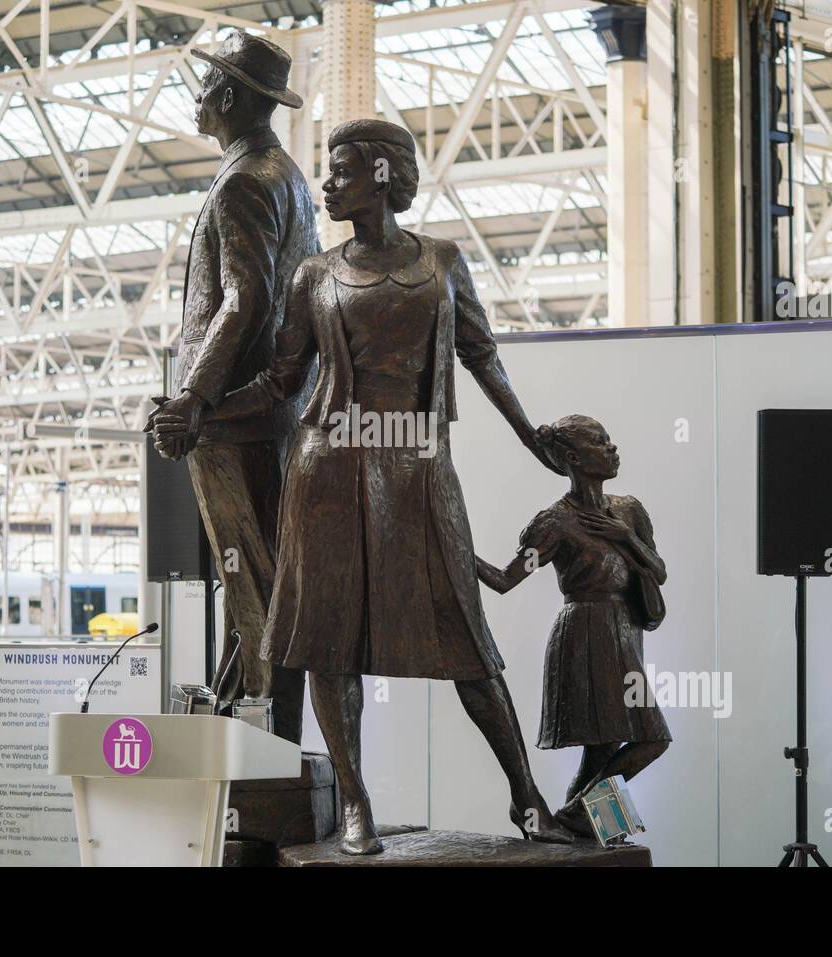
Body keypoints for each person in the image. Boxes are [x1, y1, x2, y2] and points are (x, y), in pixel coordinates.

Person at [156, 118, 572, 854]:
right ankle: (355, 803)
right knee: (328, 641)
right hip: (327, 472)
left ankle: (528, 797)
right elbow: (283, 383)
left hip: (418, 470)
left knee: (469, 642)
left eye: (342, 168)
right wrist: (199, 407)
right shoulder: (312, 274)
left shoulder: (443, 262)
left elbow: (483, 357)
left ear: (384, 174)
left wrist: (531, 435)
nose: (327, 182)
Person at [144, 32, 319, 744]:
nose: (195, 97)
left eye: (205, 85)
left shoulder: (246, 179)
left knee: (250, 584)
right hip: (268, 415)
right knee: (260, 581)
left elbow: (242, 299)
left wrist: (195, 398)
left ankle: (265, 751)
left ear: (228, 97)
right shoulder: (285, 176)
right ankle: (251, 729)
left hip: (234, 419)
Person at [477, 416, 670, 838]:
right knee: (651, 738)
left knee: (602, 749)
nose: (612, 448)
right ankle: (575, 817)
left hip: (625, 629)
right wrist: (455, 549)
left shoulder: (629, 510)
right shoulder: (555, 523)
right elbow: (507, 579)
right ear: (572, 458)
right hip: (585, 634)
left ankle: (594, 831)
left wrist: (626, 537)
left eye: (609, 439)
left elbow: (658, 570)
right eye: (600, 442)